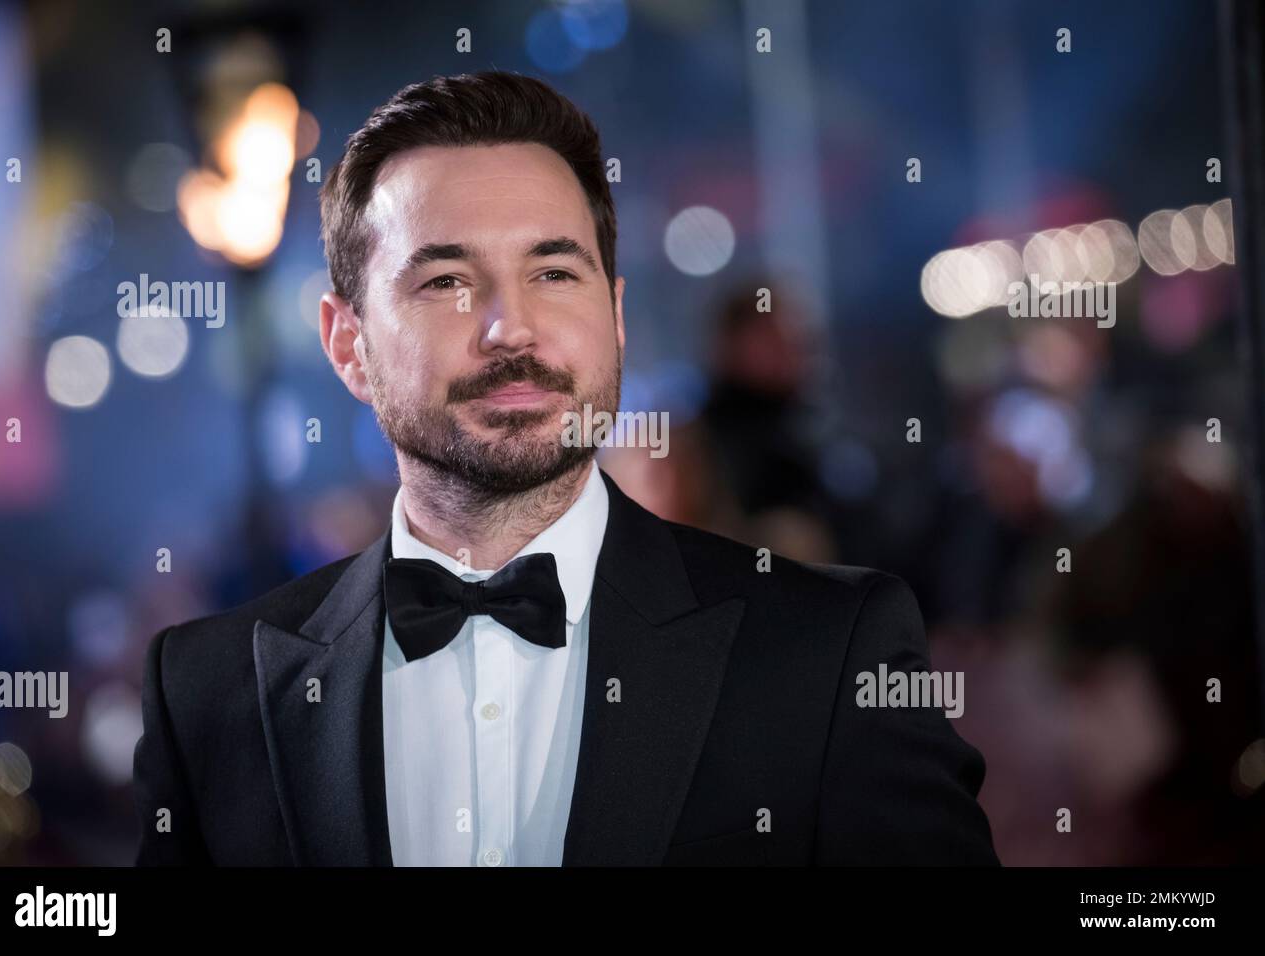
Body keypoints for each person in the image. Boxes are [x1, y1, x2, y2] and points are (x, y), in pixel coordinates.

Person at [132, 70, 998, 866]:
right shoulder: (206, 694)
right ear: (347, 344)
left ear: (615, 317)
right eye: (445, 283)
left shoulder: (830, 653)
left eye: (553, 271)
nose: (510, 327)